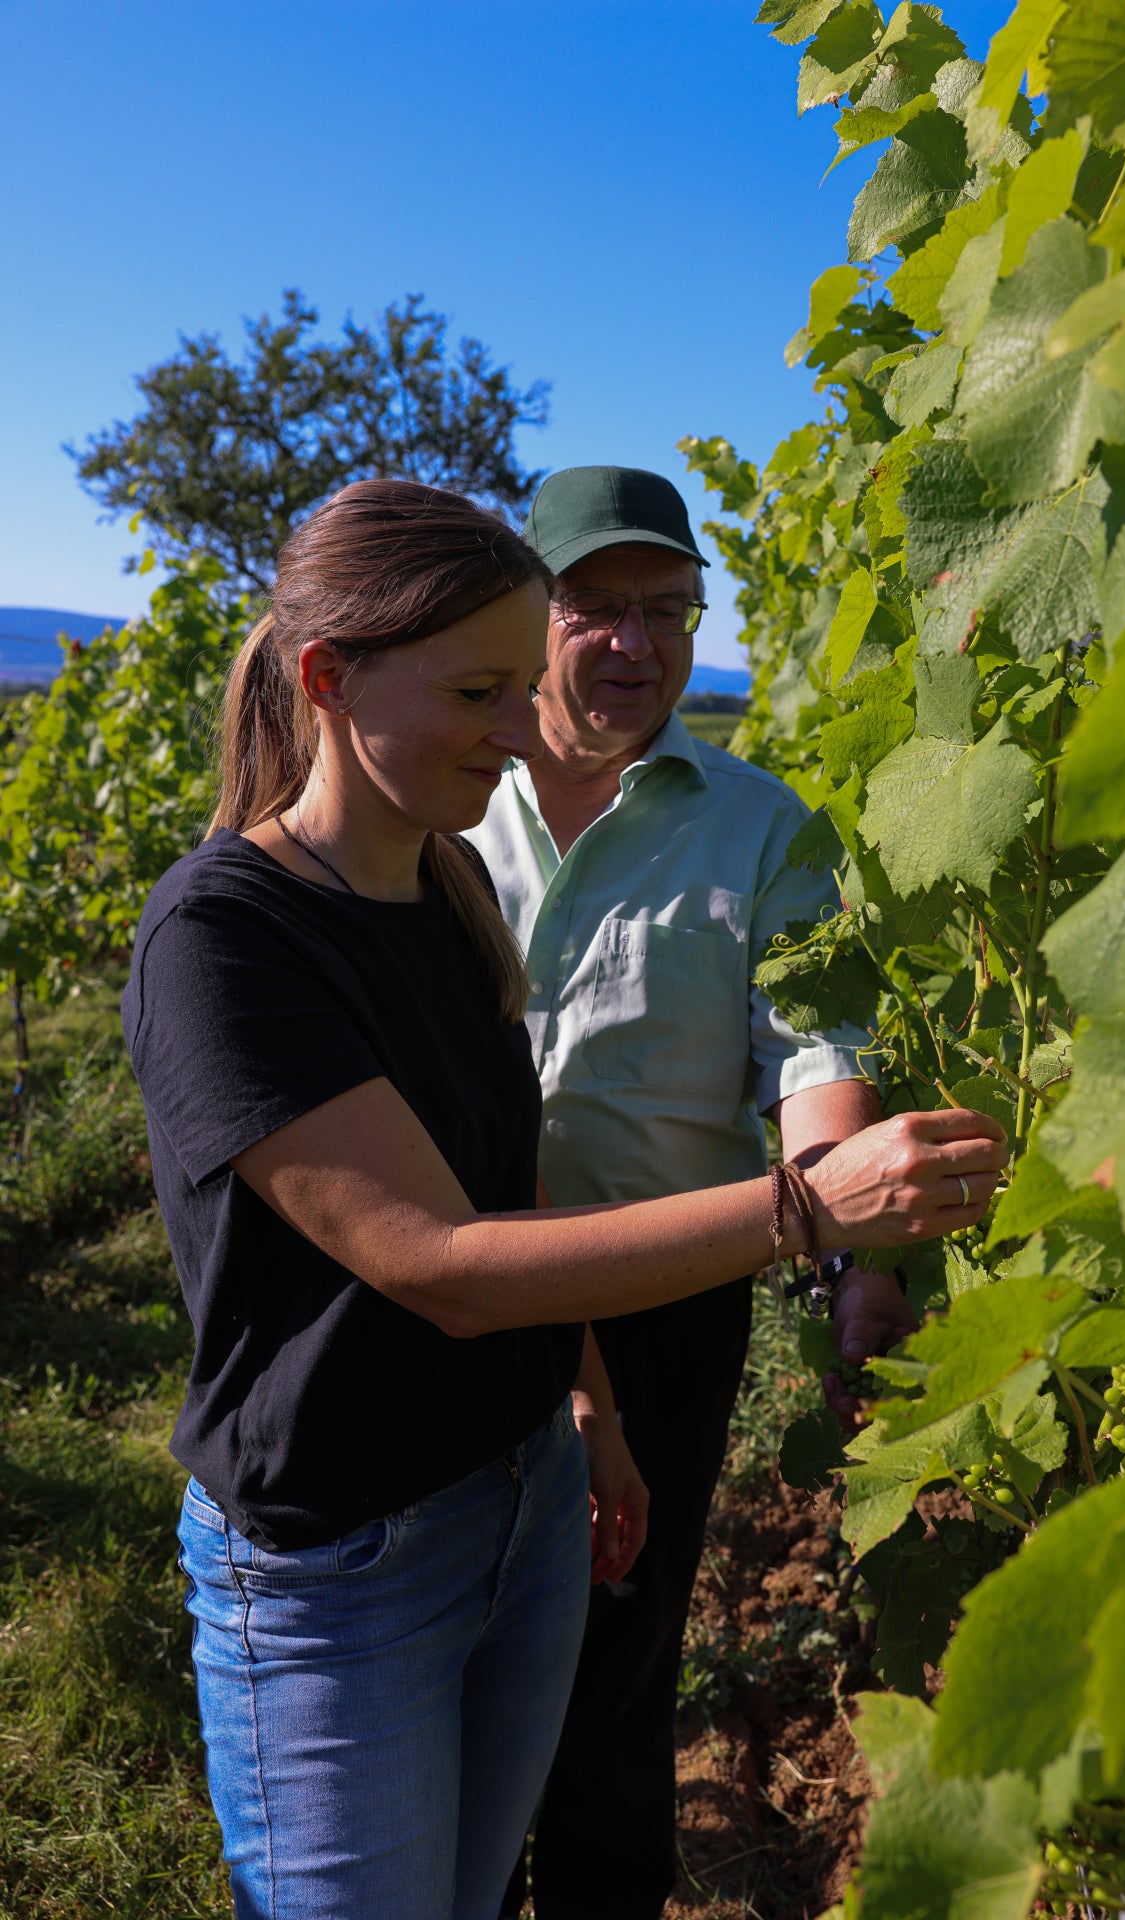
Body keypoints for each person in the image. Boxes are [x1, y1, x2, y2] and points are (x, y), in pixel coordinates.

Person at [121, 479, 1005, 1920]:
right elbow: (444, 1258)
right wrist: (808, 1212)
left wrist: (585, 1402)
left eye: (671, 613)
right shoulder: (233, 931)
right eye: (490, 681)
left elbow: (516, 1176)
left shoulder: (450, 894)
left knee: (588, 1766)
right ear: (328, 681)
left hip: (533, 1454)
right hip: (346, 1540)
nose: (529, 708)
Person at [464, 465, 920, 1920]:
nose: (633, 643)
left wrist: (847, 1229)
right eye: (595, 608)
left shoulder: (762, 826)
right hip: (437, 1288)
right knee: (438, 1663)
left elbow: (816, 1045)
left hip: (660, 1302)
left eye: (665, 611)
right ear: (531, 617)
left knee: (609, 1686)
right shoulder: (436, 796)